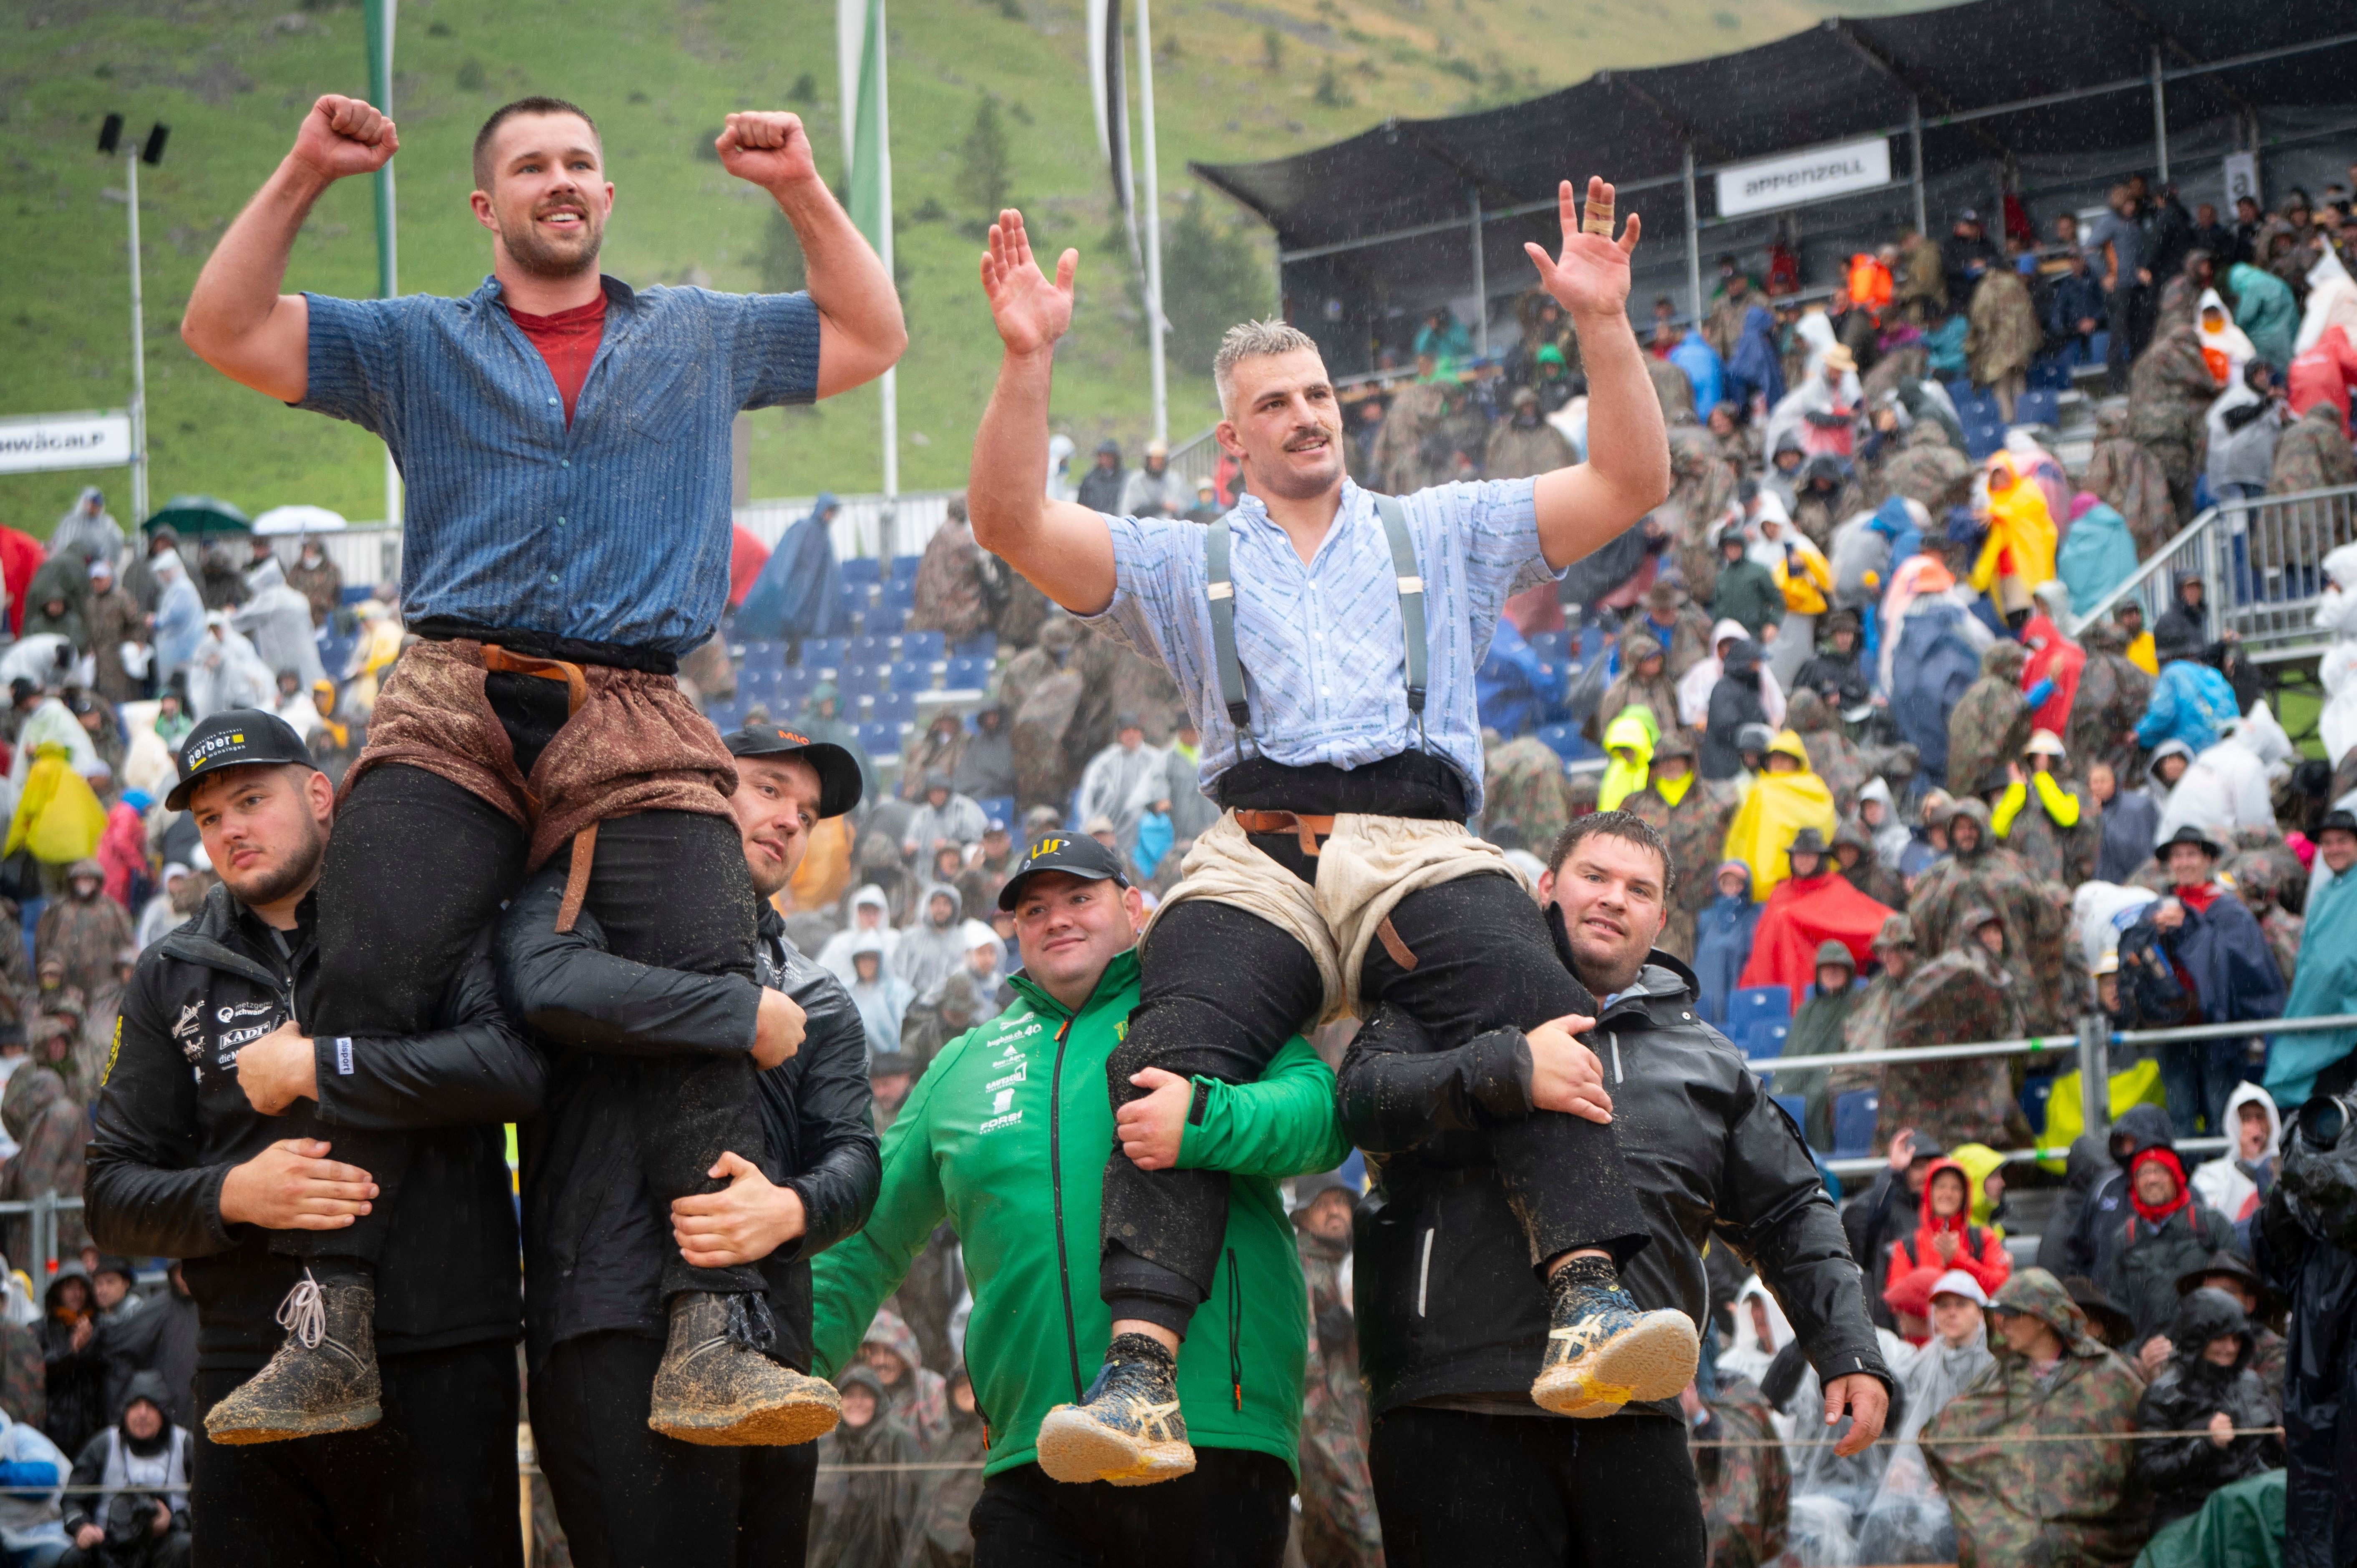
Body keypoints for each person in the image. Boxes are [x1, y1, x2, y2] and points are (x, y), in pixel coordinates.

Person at [175, 90, 904, 1439]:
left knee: (702, 962)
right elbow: (220, 328)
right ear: (486, 206)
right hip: (454, 686)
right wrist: (300, 172)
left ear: (607, 196)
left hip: (636, 696)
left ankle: (709, 1333)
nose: (557, 180)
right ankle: (332, 1324)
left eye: (578, 163)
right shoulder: (410, 344)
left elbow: (872, 333)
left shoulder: (695, 330)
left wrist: (800, 187)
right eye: (529, 165)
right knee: (373, 956)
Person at [963, 180, 1695, 1481]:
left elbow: (1633, 476)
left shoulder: (1444, 529)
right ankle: (1138, 1377)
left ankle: (1588, 1297)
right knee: (1170, 1046)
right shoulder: (1182, 562)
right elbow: (1010, 525)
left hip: (1419, 841)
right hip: (1255, 848)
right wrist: (1027, 360)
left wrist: (1599, 324)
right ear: (1228, 440)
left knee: (1539, 1004)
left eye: (1316, 394)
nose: (1305, 415)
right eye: (1273, 404)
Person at [1336, 811, 1891, 1567]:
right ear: (1543, 887)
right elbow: (1363, 1099)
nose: (1612, 899)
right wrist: (1503, 1067)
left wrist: (1845, 1345)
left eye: (1637, 888)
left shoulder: (1707, 1057)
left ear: (1661, 917)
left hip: (1636, 1409)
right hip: (1456, 1401)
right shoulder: (1440, 997)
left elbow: (1790, 1210)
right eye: (1592, 876)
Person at [82, 710, 546, 1563]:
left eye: (251, 799)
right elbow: (111, 1195)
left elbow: (512, 1069)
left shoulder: (430, 924)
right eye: (211, 817)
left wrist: (326, 1065)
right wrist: (233, 1192)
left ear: (321, 794)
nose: (231, 830)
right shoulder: (170, 971)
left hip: (436, 1347)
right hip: (249, 1360)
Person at [810, 833, 1348, 1563]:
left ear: (1132, 906)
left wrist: (1201, 1119)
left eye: (1079, 897)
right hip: (1033, 1452)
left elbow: (1321, 1115)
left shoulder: (1198, 1006)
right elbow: (869, 1233)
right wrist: (798, 1355)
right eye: (1034, 907)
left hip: (1207, 1432)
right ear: (1013, 930)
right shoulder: (963, 1063)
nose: (1056, 917)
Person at [496, 723, 880, 1563]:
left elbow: (856, 1161)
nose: (789, 820)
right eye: (768, 788)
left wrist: (789, 1208)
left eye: (807, 812)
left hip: (769, 1339)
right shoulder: (587, 901)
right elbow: (535, 982)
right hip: (612, 1324)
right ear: (698, 790)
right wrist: (731, 1013)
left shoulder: (815, 991)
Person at [1923, 1268, 2149, 1565]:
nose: (2001, 1322)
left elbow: (2140, 1459)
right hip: (2015, 1527)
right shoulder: (1999, 1376)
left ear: (2043, 1318)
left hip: (2095, 1530)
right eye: (1998, 1314)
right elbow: (1944, 1436)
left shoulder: (2110, 1376)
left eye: (2011, 1313)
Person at [2133, 826, 2286, 1134]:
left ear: (2206, 859)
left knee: (2222, 1116)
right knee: (2179, 1117)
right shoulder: (2157, 910)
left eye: (2191, 854)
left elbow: (2243, 964)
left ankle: (2221, 1180)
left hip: (2218, 1028)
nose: (2184, 862)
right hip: (2173, 1027)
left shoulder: (2228, 911)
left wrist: (2190, 929)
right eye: (2177, 855)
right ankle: (2185, 1179)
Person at [2133, 1288, 2282, 1531]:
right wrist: (2206, 1446)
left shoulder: (2252, 1384)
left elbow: (2266, 1456)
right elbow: (2152, 1472)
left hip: (2250, 1512)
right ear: (2197, 1339)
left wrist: (2282, 1445)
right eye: (2221, 1339)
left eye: (2237, 1339)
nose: (2231, 1348)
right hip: (2190, 1519)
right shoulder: (2165, 1393)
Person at [2102, 1145, 2241, 1360]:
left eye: (2160, 1171)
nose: (2152, 1179)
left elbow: (2239, 1291)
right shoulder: (2124, 1239)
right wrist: (2138, 1354)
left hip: (2209, 1357)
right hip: (2152, 1363)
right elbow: (2116, 1314)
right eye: (2144, 1173)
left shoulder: (2210, 1225)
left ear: (2176, 1177)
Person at [58, 1372, 192, 1568]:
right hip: (110, 1546)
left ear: (164, 1412)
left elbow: (209, 1503)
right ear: (125, 1412)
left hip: (166, 1545)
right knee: (73, 1559)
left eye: (151, 1407)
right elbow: (72, 1499)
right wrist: (82, 1527)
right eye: (135, 1406)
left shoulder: (186, 1445)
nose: (142, 1414)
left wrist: (174, 1522)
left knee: (187, 1548)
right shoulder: (103, 1444)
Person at [1881, 1157, 2012, 1327]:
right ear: (1929, 1192)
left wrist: (1958, 1261)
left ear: (1965, 1196)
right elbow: (1896, 1300)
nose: (1948, 1194)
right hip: (1922, 1347)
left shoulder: (1983, 1237)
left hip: (1977, 1340)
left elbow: (2001, 1289)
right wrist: (1946, 1317)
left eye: (1955, 1188)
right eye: (1941, 1186)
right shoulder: (1907, 1245)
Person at [2190, 1084, 2280, 1230]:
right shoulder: (2211, 1175)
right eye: (2246, 1119)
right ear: (2234, 1124)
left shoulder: (2287, 1168)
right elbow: (2215, 1227)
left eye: (2260, 1117)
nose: (2256, 1125)